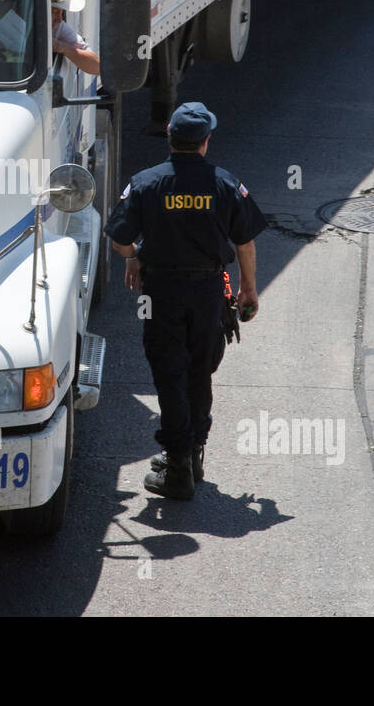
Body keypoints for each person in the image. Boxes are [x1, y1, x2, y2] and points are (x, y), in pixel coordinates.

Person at [104, 101, 267, 499]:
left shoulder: (146, 183)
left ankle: (178, 467)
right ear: (205, 143)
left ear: (171, 138)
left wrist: (136, 257)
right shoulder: (225, 183)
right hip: (208, 292)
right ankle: (191, 453)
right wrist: (248, 289)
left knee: (170, 373)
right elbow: (244, 241)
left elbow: (119, 238)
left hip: (162, 294)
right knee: (199, 371)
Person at [49, 0, 100, 76]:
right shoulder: (9, 22)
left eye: (61, 12)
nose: (59, 19)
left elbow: (97, 67)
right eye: (54, 11)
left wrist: (61, 47)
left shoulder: (57, 27)